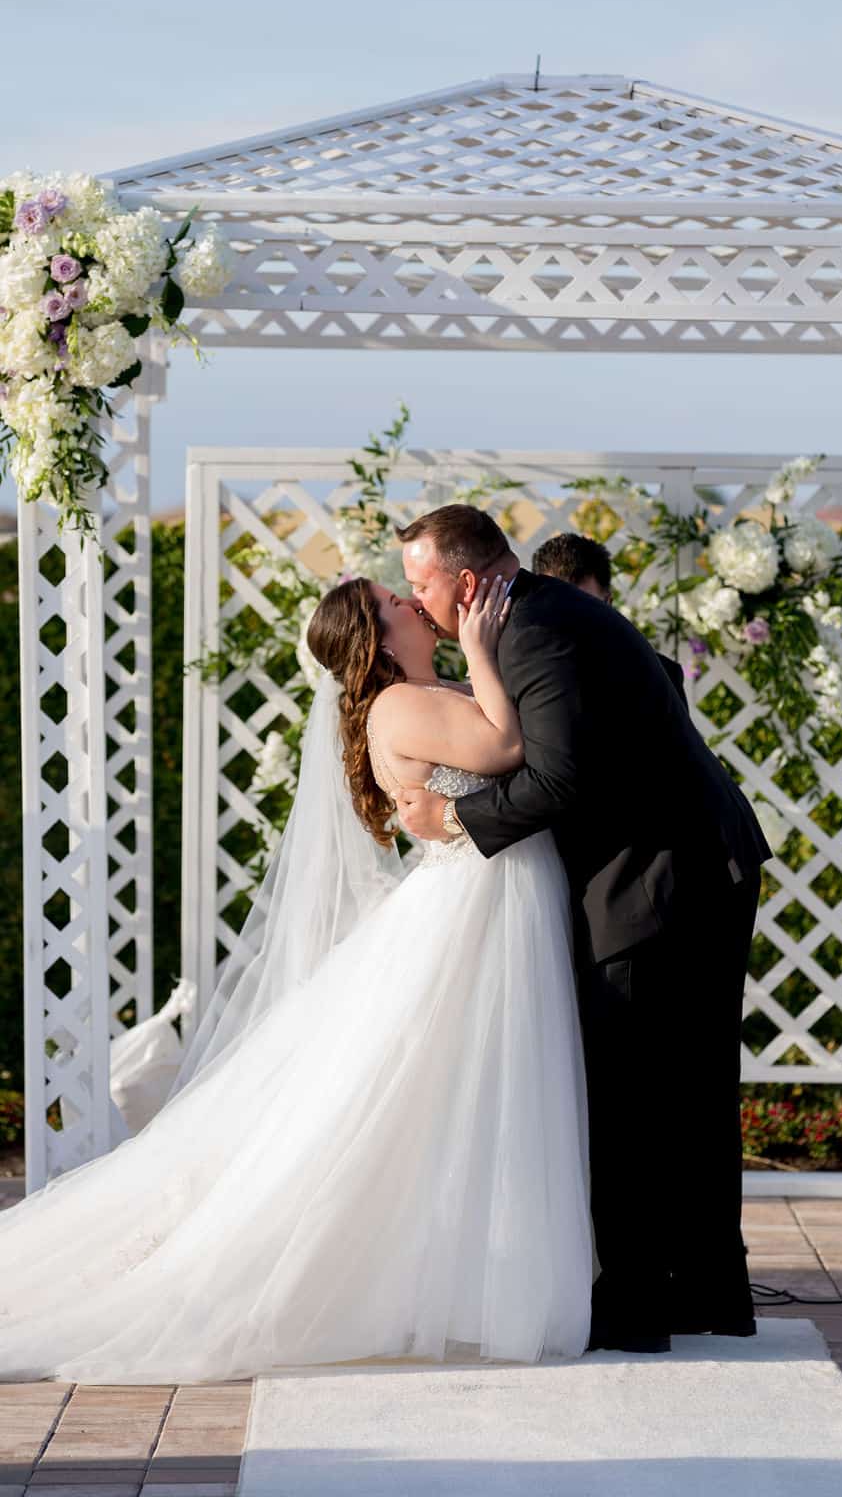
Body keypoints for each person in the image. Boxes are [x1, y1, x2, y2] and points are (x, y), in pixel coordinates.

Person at [0, 575, 593, 1383]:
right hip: (475, 906)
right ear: (378, 638)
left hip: (492, 897)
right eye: (393, 599)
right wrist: (487, 649)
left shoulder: (427, 690)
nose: (409, 600)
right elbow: (505, 748)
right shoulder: (401, 706)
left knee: (460, 1096)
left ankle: (466, 1280)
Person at [398, 506, 771, 1353]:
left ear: (464, 580)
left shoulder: (534, 628)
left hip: (661, 878)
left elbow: (561, 779)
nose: (416, 602)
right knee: (687, 1091)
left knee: (634, 1092)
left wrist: (457, 820)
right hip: (692, 863)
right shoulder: (537, 618)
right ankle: (710, 1293)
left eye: (420, 583)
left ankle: (638, 1305)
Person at [532, 532, 688, 703]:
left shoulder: (660, 676)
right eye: (557, 608)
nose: (569, 622)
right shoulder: (520, 674)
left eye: (584, 608)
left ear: (608, 604)